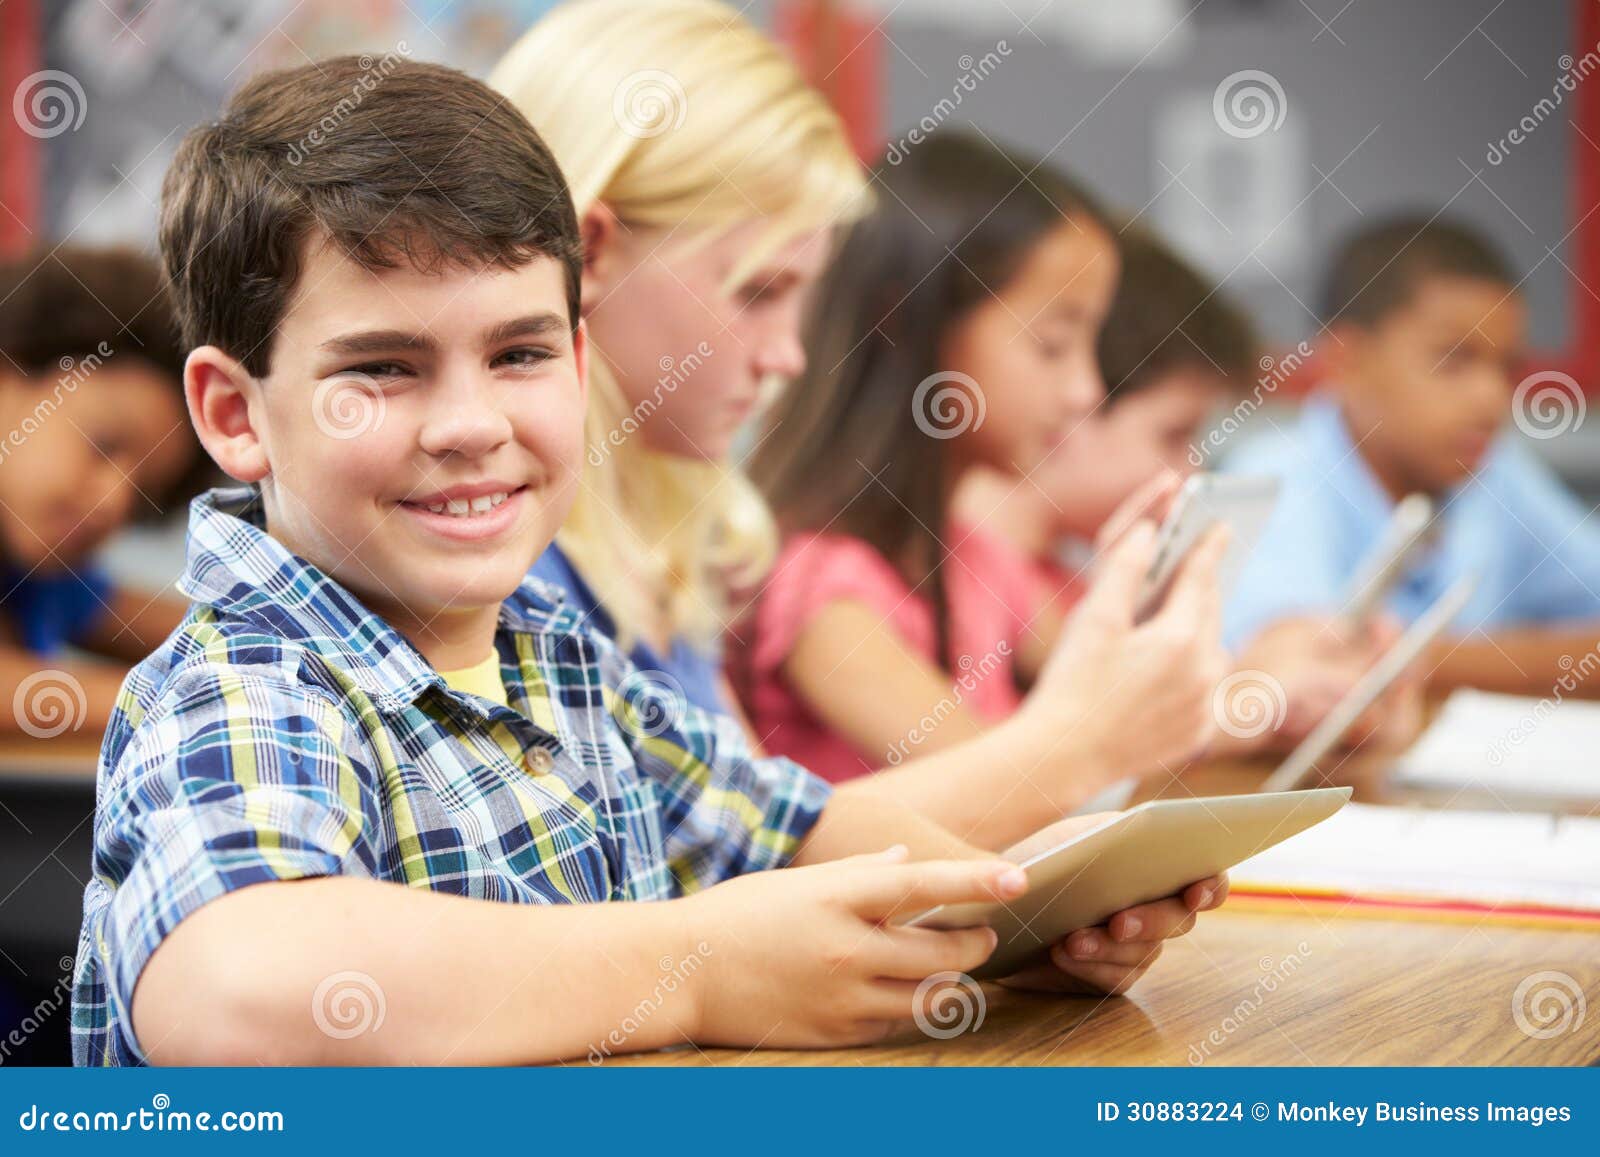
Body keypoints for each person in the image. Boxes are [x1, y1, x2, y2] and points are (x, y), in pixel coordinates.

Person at [73, 56, 1226, 1068]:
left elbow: (794, 833)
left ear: (578, 362)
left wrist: (1023, 921)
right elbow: (234, 990)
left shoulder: (560, 665)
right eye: (383, 367)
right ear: (235, 412)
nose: (472, 422)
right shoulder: (246, 684)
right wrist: (700, 964)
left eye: (518, 351)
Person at [492, 2, 1227, 847]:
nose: (787, 358)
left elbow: (756, 845)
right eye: (757, 292)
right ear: (590, 253)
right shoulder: (507, 562)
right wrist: (1079, 748)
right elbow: (765, 866)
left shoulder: (674, 543)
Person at [954, 226, 1414, 753]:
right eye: (1174, 435)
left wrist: (1288, 683)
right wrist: (1259, 693)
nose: (1193, 469)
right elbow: (1094, 740)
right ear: (1073, 413)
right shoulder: (993, 578)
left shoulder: (1061, 577)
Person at [1224, 216, 1600, 697]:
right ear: (1347, 361)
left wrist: (1409, 660)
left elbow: (1368, 666)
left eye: (1507, 367)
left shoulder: (1495, 468)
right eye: (1453, 359)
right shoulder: (1271, 478)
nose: (1491, 399)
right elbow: (1314, 674)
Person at [0, 248, 207, 735]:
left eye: (140, 495)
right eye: (103, 445)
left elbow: (203, 634)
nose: (113, 504)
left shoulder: (40, 579)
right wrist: (207, 707)